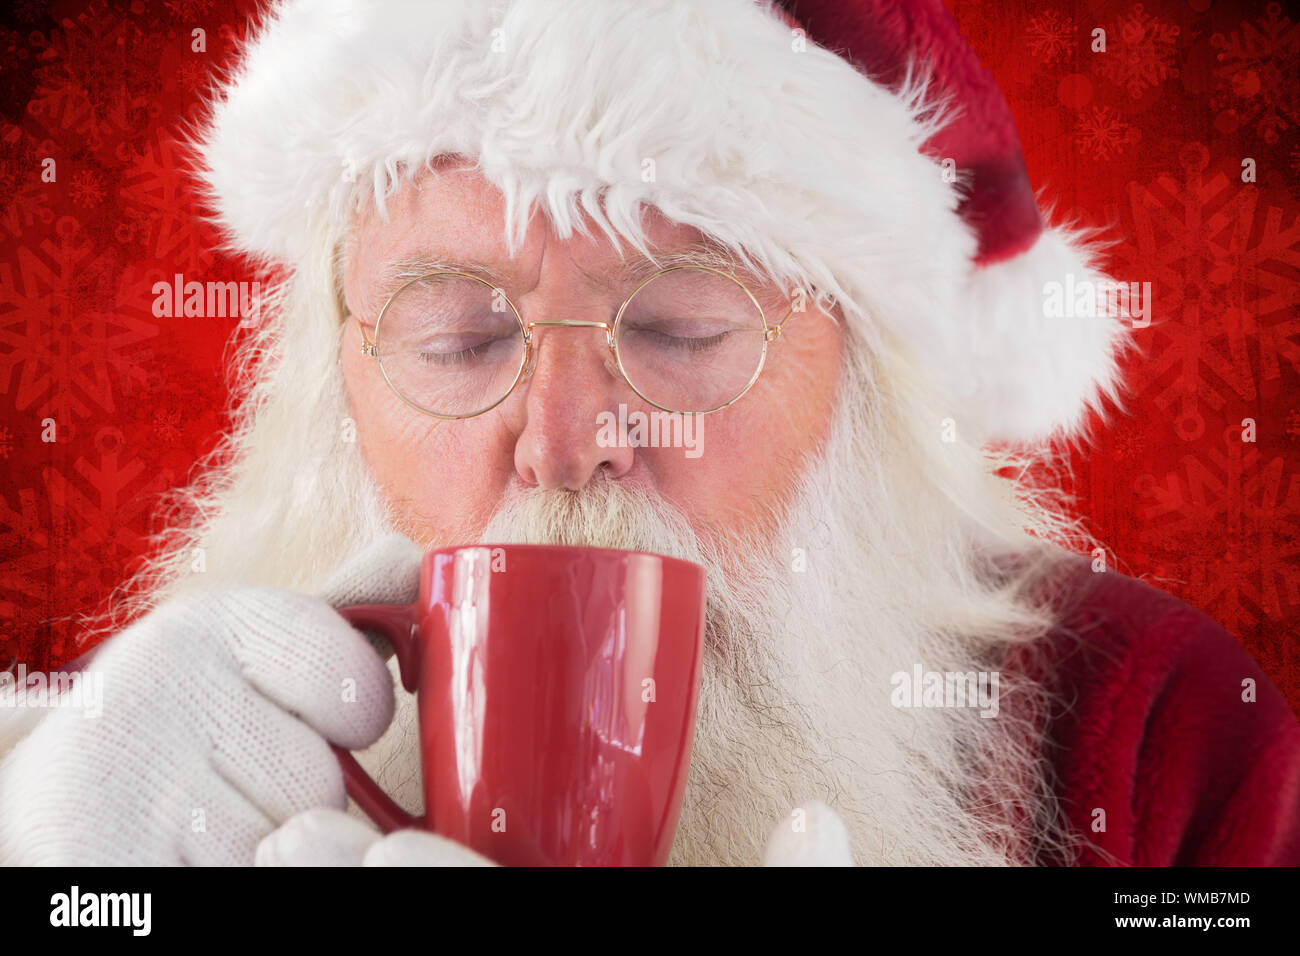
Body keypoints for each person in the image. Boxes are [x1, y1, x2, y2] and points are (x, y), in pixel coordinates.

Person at [1, 0, 1297, 867]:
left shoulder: (1167, 737)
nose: (564, 444)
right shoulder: (152, 754)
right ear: (331, 383)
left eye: (680, 330)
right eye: (458, 336)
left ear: (859, 384)